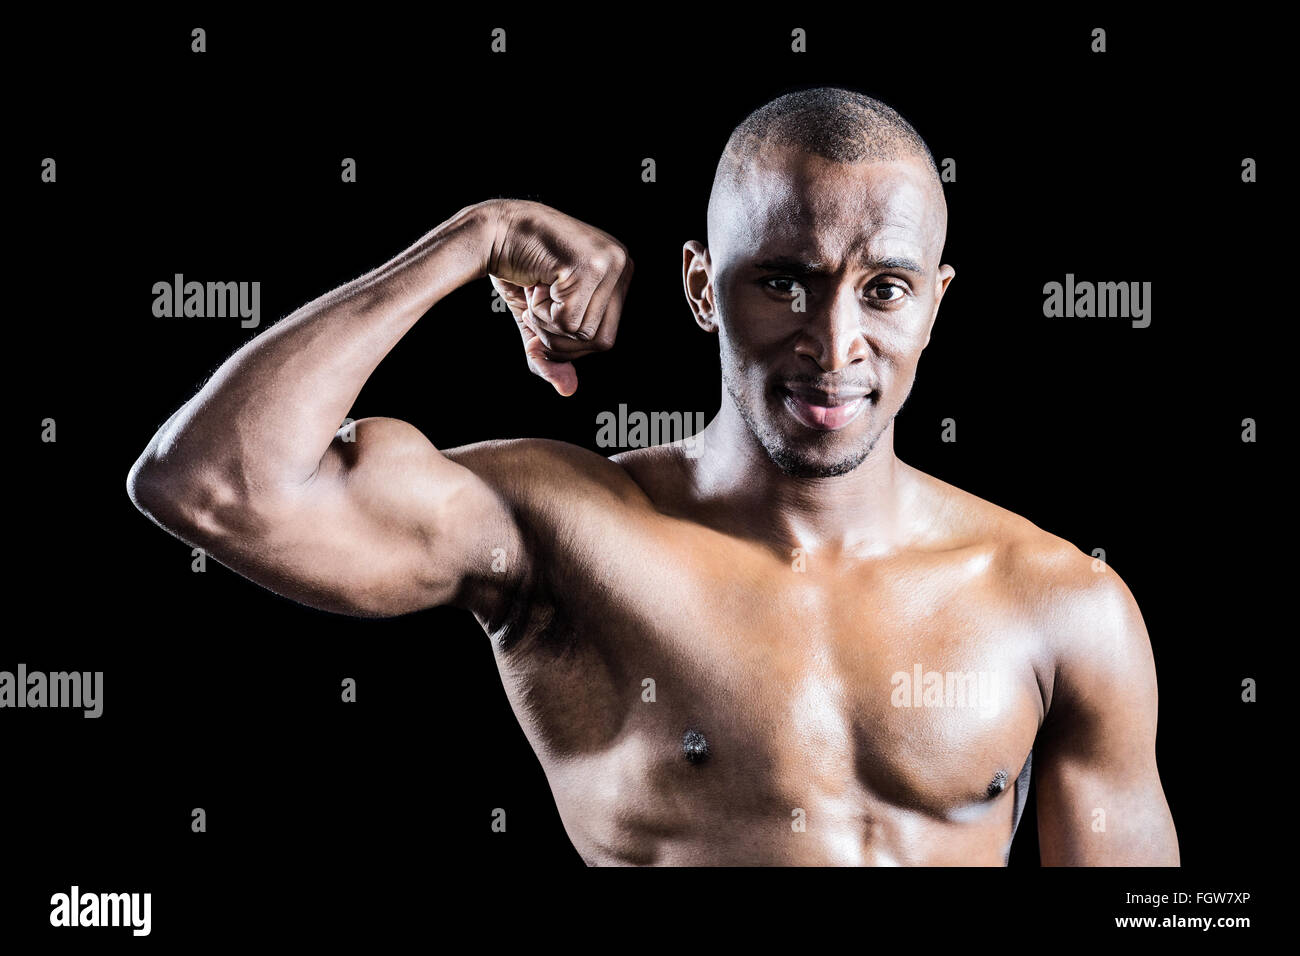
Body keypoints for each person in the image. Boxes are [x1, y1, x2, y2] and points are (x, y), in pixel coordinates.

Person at [127, 87, 1179, 866]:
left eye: (885, 289)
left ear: (935, 305)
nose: (835, 341)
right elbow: (211, 483)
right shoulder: (560, 527)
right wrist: (473, 237)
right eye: (784, 280)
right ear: (700, 287)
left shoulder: (1057, 601)